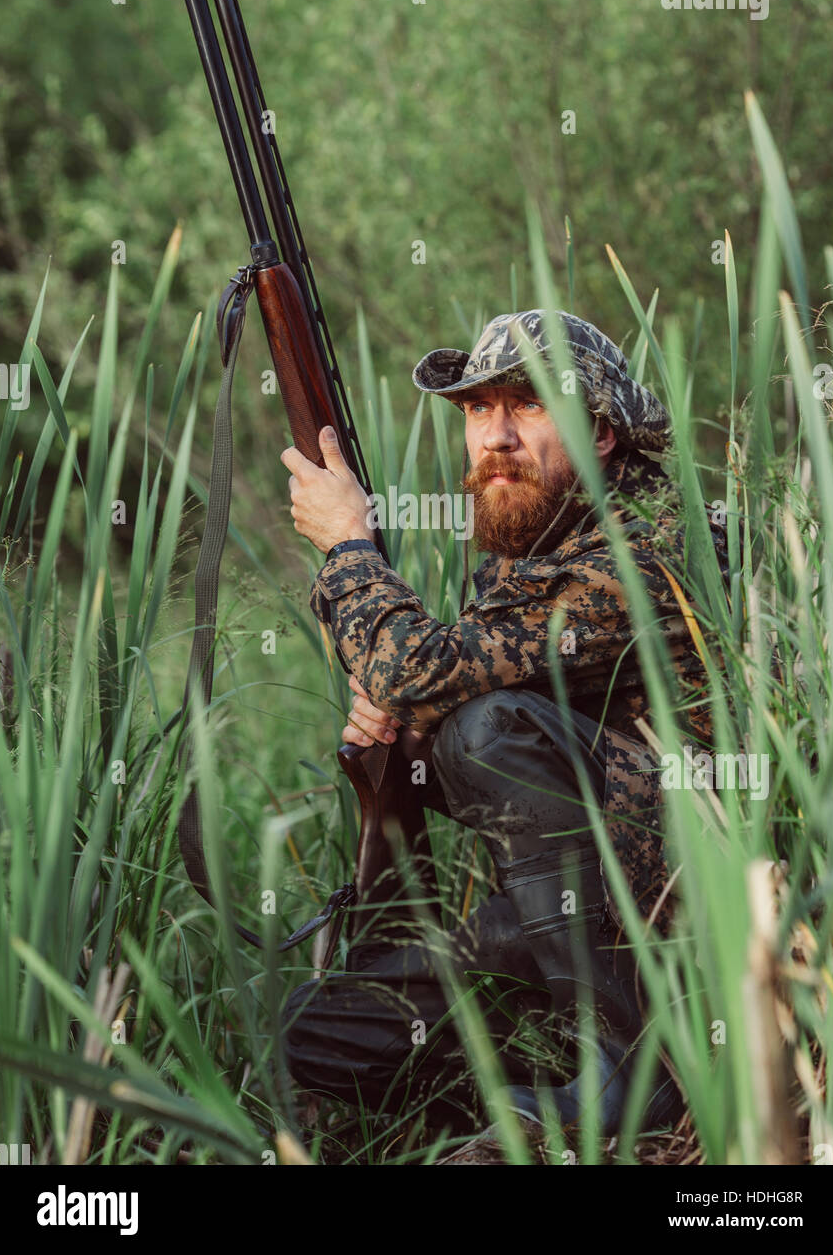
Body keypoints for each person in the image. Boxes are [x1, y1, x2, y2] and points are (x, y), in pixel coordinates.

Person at [279, 309, 726, 1132]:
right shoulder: (537, 550)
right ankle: (510, 1096)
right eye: (479, 409)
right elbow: (444, 698)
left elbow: (440, 683)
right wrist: (401, 725)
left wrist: (348, 545)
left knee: (488, 726)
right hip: (575, 903)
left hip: (691, 892)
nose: (497, 436)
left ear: (602, 435)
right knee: (324, 1035)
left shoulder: (639, 553)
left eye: (528, 405)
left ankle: (641, 1072)